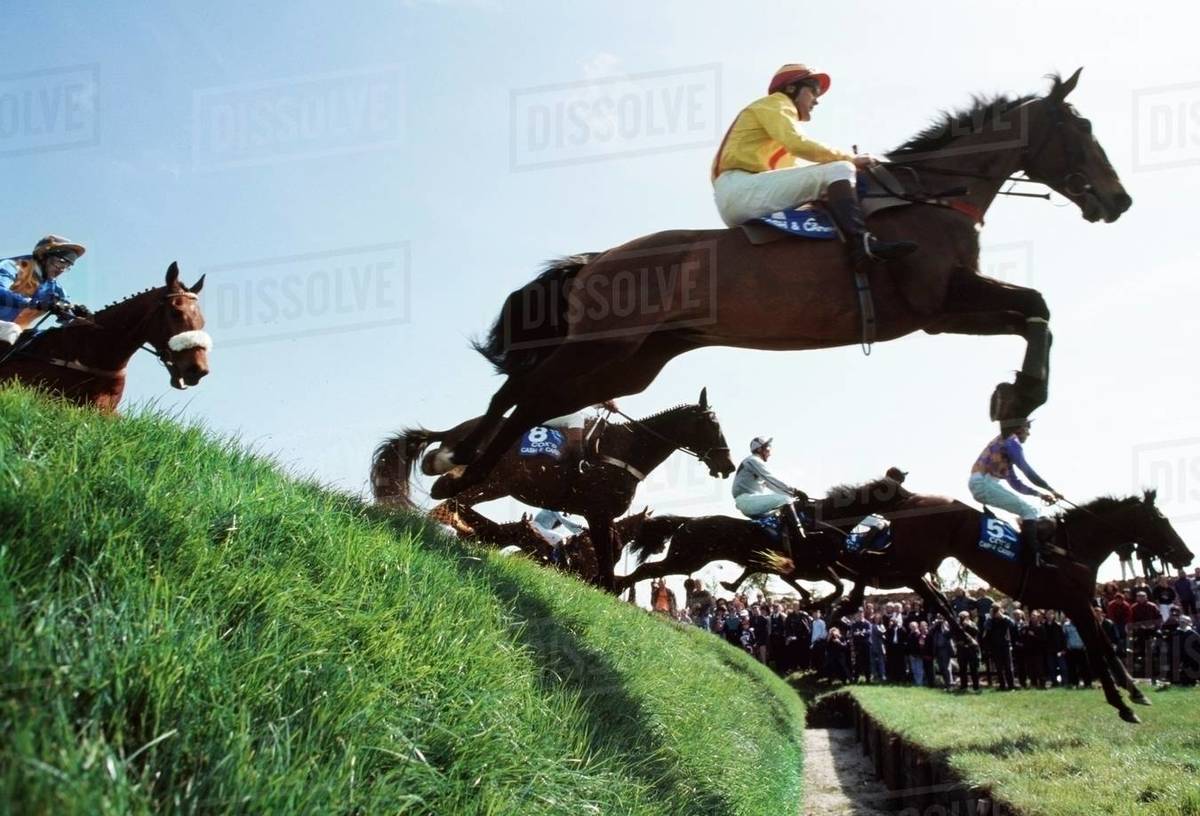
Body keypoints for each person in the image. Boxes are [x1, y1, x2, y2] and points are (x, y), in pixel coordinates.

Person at [711, 64, 917, 263]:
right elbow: (799, 144)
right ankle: (861, 243)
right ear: (791, 88)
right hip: (741, 191)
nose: (816, 101)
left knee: (830, 180)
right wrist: (850, 159)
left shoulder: (775, 131)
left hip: (744, 193)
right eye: (814, 91)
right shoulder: (777, 103)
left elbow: (802, 173)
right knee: (840, 169)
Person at [968, 420, 1063, 567]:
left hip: (983, 483)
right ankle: (1033, 558)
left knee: (1030, 511)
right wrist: (1051, 489)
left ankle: (1028, 550)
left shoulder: (1004, 450)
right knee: (1028, 511)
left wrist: (1039, 494)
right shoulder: (1012, 440)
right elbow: (1027, 470)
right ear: (1019, 429)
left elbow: (1016, 484)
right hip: (984, 483)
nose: (1028, 433)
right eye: (1027, 429)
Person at [0, 235, 91, 350]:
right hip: (9, 330)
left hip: (14, 332)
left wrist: (78, 316)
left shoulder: (54, 288)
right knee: (11, 330)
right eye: (60, 262)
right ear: (43, 255)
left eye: (67, 266)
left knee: (42, 341)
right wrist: (34, 303)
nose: (61, 269)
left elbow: (66, 313)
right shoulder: (11, 266)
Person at [731, 436, 809, 558]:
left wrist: (793, 495)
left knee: (788, 501)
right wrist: (795, 491)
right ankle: (800, 535)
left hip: (750, 500)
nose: (770, 452)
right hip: (747, 500)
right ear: (760, 449)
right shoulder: (753, 460)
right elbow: (772, 480)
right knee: (786, 500)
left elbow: (772, 486)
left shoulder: (755, 462)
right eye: (768, 448)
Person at [986, 606, 1017, 691]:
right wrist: (991, 617)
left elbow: (1013, 625)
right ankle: (1002, 685)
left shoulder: (1005, 619)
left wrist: (1003, 617)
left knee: (1008, 667)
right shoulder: (990, 620)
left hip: (1005, 646)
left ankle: (1011, 686)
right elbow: (986, 629)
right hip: (995, 646)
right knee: (999, 667)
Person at [955, 611, 982, 692]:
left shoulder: (972, 624)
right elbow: (954, 634)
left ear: (968, 617)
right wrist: (958, 642)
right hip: (961, 650)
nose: (961, 618)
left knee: (974, 668)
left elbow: (976, 632)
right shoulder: (958, 625)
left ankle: (976, 687)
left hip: (972, 649)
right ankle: (964, 686)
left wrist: (968, 625)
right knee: (962, 669)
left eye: (963, 617)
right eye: (960, 617)